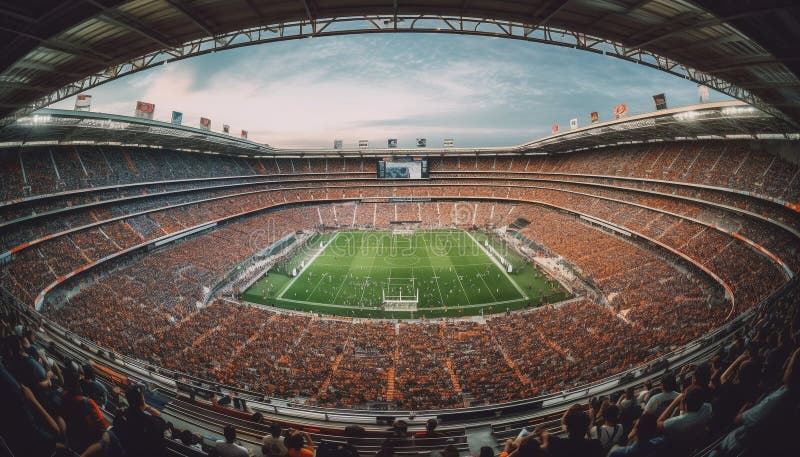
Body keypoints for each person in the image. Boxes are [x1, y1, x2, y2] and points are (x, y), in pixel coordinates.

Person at [57, 367, 111, 456]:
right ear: (78, 385)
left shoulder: (62, 397)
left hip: (73, 438)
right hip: (89, 440)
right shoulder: (87, 402)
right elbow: (103, 425)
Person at [114, 384, 167, 457]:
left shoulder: (120, 416)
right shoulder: (151, 422)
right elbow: (160, 418)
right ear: (142, 399)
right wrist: (145, 406)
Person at [657, 386, 712, 453]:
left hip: (681, 448)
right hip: (697, 440)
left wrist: (676, 400)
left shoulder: (676, 422)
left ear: (685, 404)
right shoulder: (707, 407)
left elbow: (659, 423)